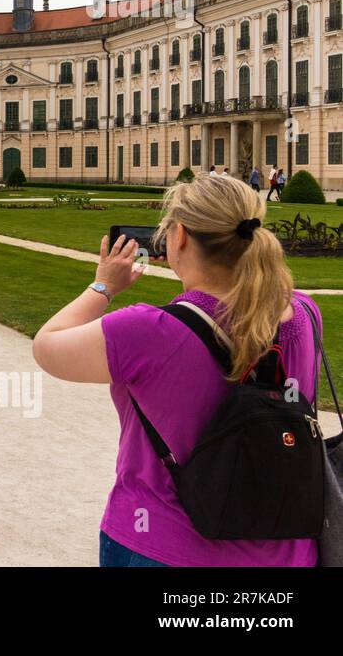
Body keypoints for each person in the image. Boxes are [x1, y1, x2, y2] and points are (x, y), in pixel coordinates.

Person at [32, 174, 321, 566]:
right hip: (287, 551)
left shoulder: (148, 331)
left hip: (162, 544)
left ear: (180, 236)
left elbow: (47, 347)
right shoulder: (304, 313)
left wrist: (103, 287)